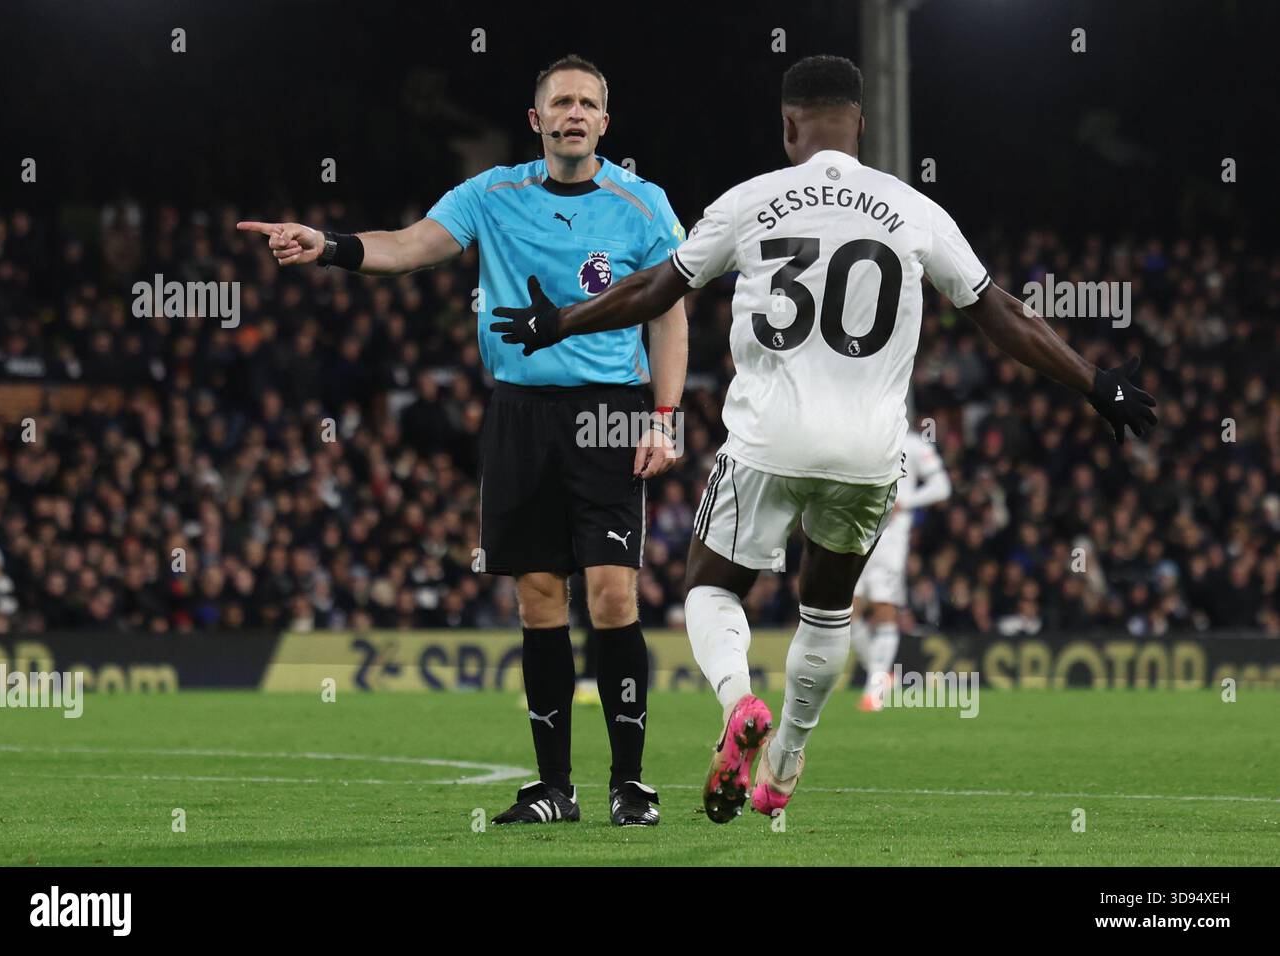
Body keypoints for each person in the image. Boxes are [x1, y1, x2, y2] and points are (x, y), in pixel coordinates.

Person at [491, 53, 1156, 822]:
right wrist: (1095, 383)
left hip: (769, 440)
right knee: (829, 611)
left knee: (711, 586)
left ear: (788, 127)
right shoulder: (911, 208)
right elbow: (1002, 312)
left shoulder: (750, 201)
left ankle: (739, 705)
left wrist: (558, 322)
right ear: (862, 127)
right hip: (870, 450)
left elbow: (656, 289)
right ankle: (786, 761)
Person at [238, 54, 689, 827]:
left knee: (613, 594)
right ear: (537, 120)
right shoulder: (491, 193)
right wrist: (331, 244)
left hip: (609, 410)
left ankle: (632, 783)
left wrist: (665, 414)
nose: (574, 113)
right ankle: (554, 788)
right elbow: (409, 246)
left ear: (604, 124)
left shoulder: (642, 204)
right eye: (561, 102)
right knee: (539, 597)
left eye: (587, 103)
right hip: (517, 412)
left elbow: (670, 311)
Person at [853, 423, 951, 711]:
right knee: (846, 611)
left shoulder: (916, 445)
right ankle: (881, 675)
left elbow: (942, 486)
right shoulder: (864, 439)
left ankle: (874, 691)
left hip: (891, 541)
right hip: (857, 533)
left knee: (884, 608)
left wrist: (906, 501)